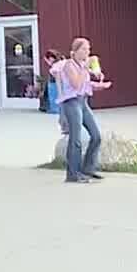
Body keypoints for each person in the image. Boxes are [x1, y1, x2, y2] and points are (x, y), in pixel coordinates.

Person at [52, 37, 113, 183]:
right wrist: (86, 67)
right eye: (85, 49)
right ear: (76, 51)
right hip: (71, 103)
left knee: (96, 135)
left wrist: (100, 85)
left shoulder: (81, 65)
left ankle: (88, 169)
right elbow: (76, 84)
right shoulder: (69, 65)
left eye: (89, 49)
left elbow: (85, 84)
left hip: (83, 101)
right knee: (76, 138)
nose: (88, 52)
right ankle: (73, 174)